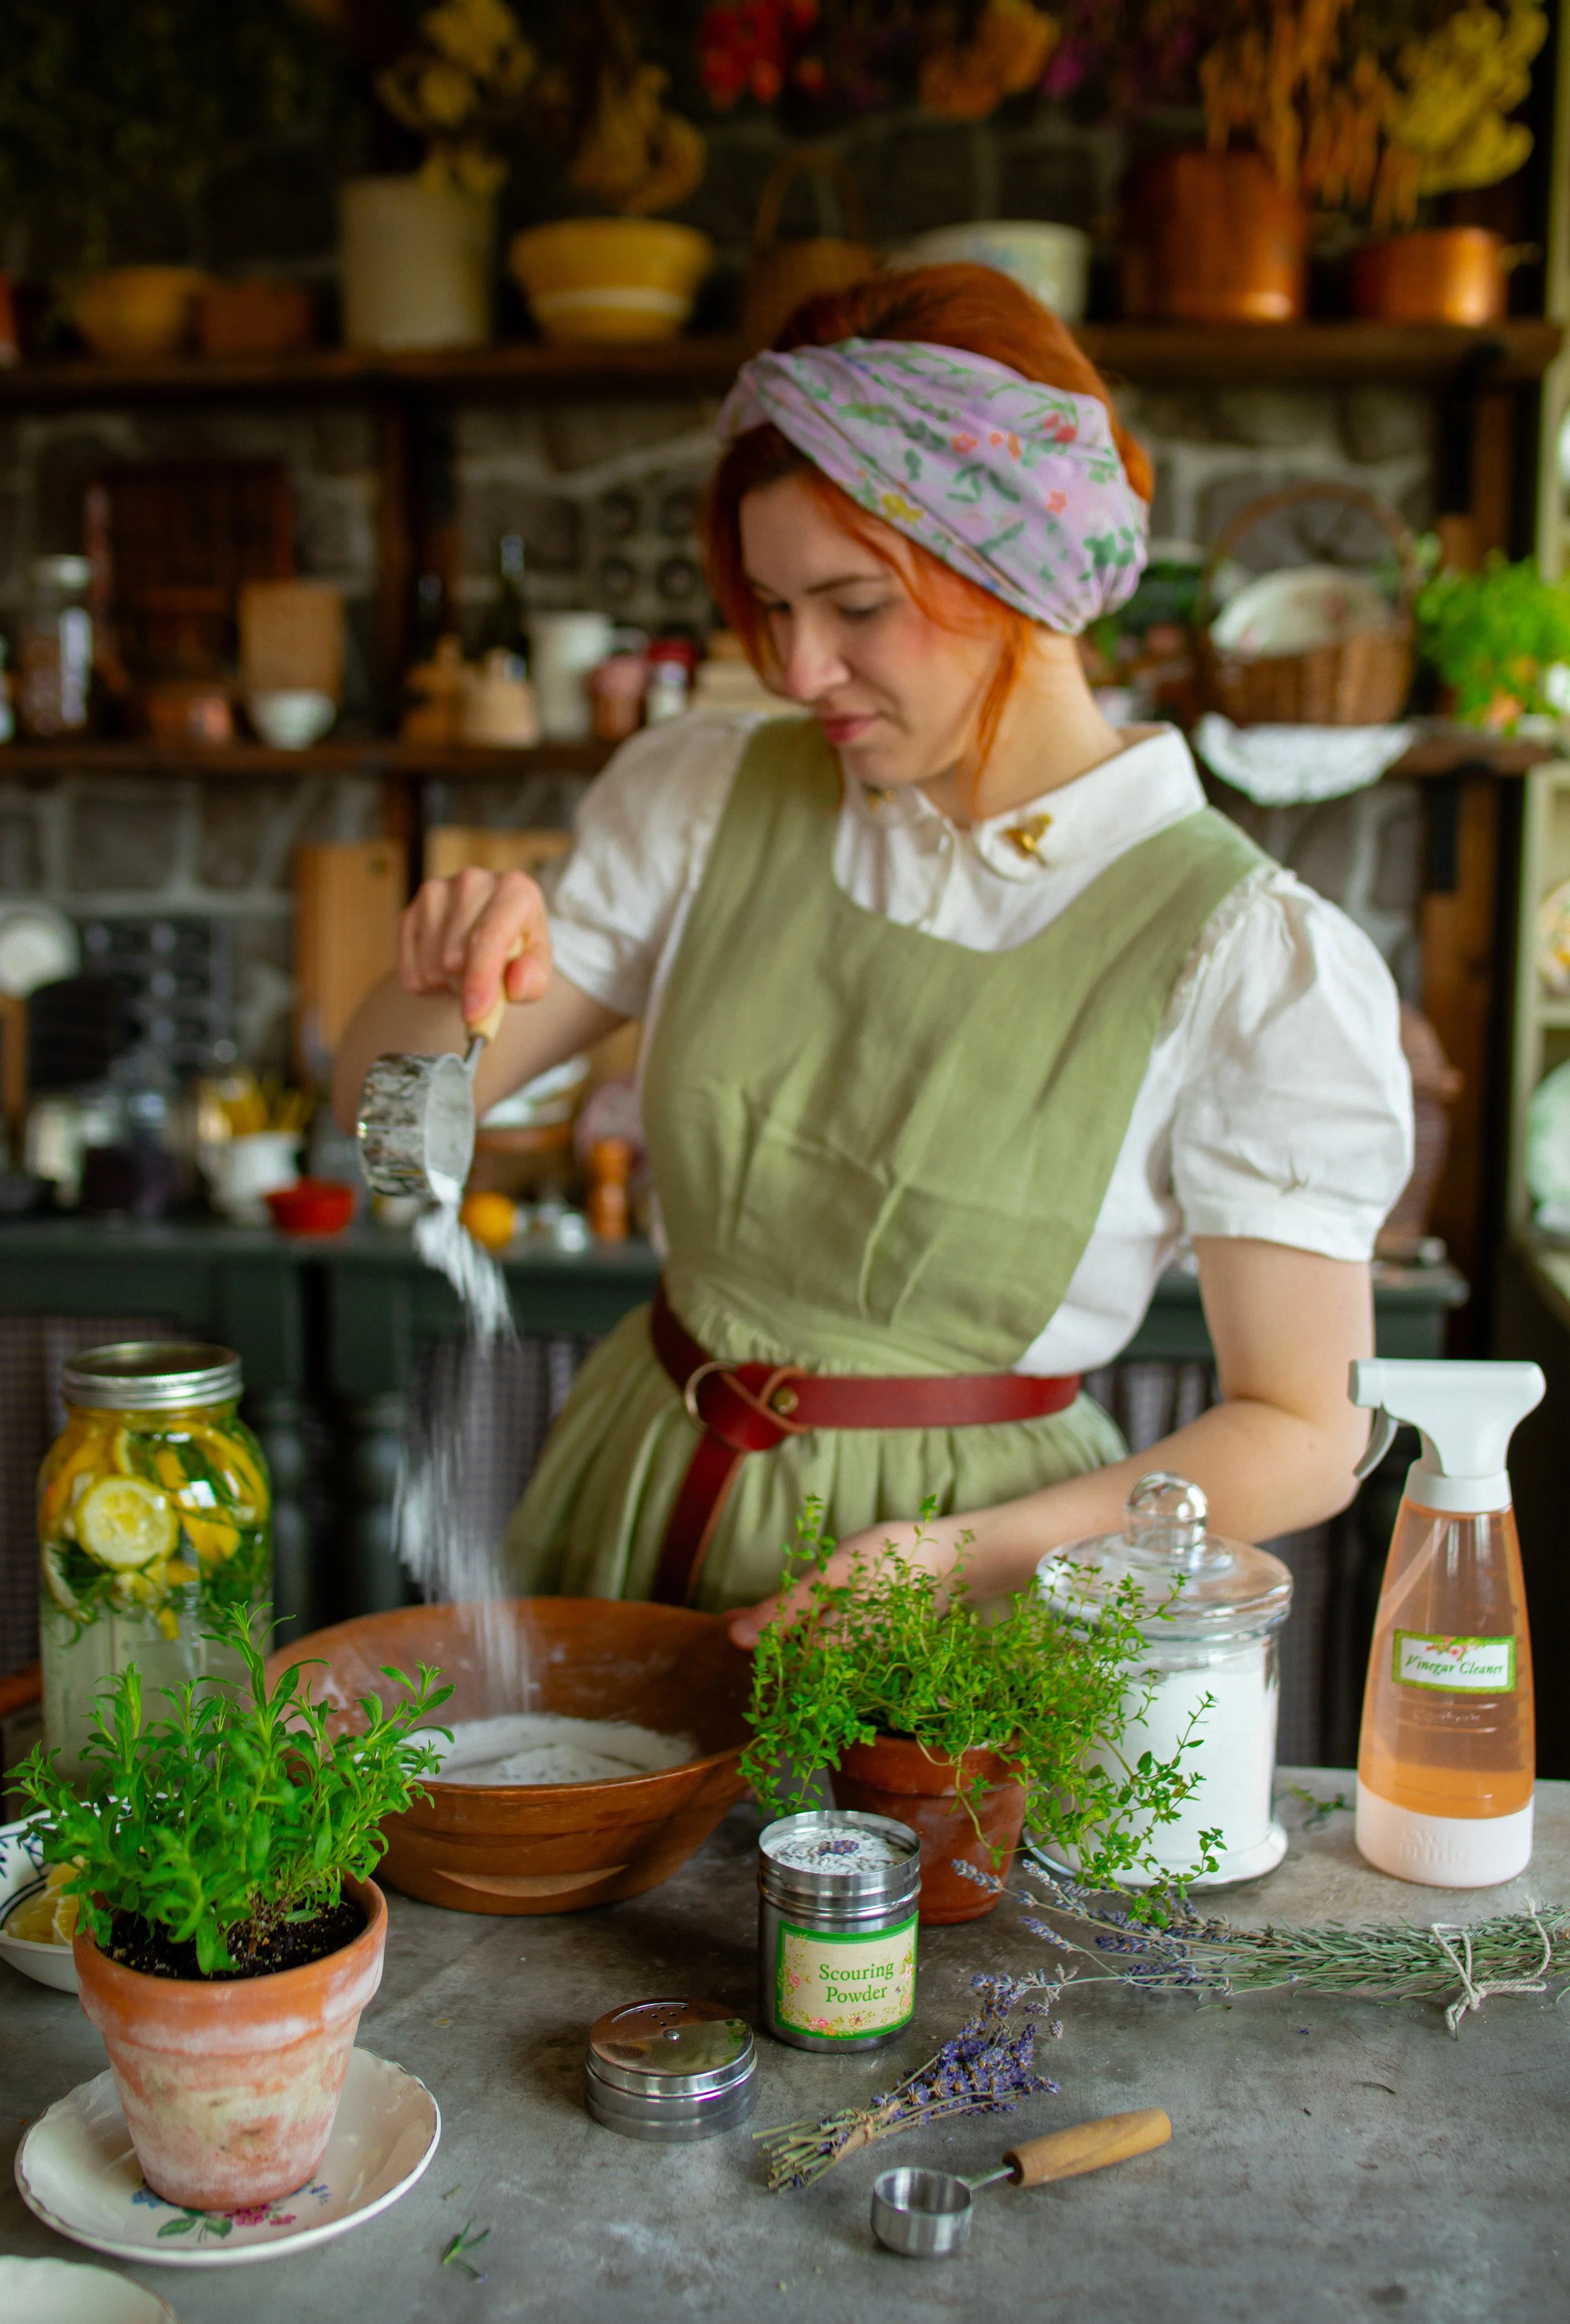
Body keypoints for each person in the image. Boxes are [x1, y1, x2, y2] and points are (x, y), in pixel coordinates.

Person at [333, 264, 1412, 1639]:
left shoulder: (1246, 955)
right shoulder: (703, 795)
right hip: (635, 1494)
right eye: (772, 608)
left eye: (851, 607)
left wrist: (968, 1558)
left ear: (1015, 571)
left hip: (975, 1592)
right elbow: (386, 1133)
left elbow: (1306, 1431)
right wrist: (446, 974)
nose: (793, 670)